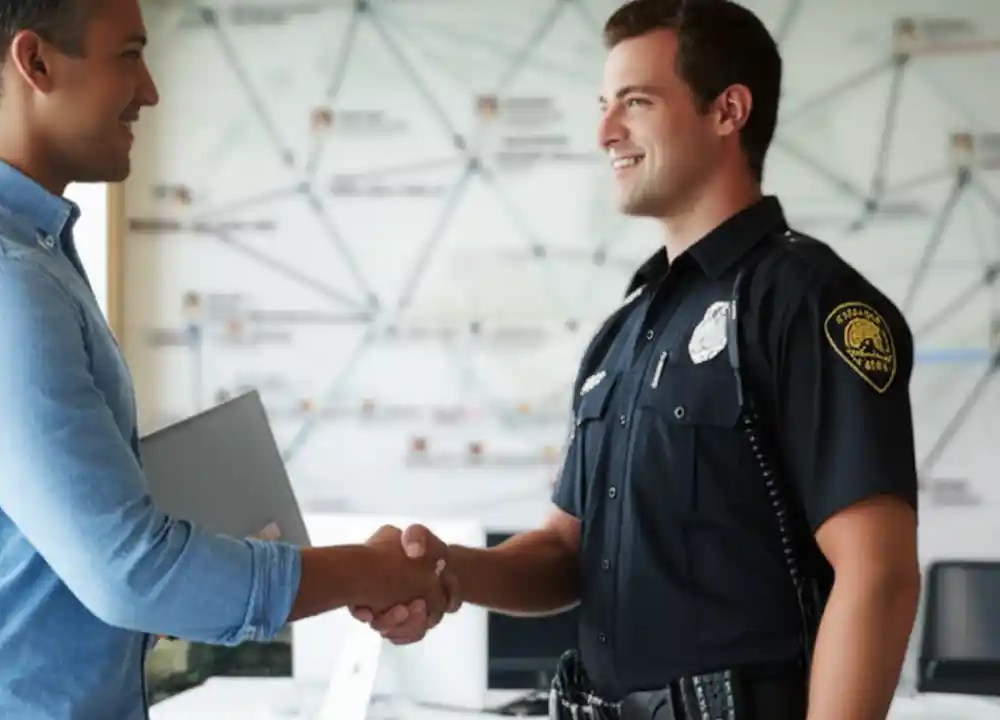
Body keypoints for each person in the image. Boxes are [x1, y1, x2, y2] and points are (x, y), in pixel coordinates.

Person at [0, 1, 451, 717]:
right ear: (35, 63)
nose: (150, 89)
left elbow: (62, 558)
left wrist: (203, 566)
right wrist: (364, 573)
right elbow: (133, 575)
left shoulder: (14, 253)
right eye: (129, 54)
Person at [352, 1, 922, 718]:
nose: (604, 132)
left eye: (635, 102)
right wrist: (446, 570)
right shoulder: (629, 324)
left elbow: (879, 574)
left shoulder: (807, 302)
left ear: (729, 110)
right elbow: (568, 553)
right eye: (603, 105)